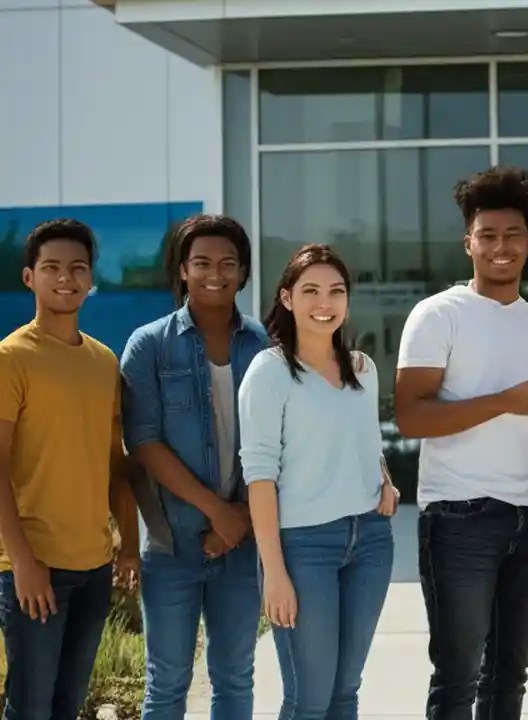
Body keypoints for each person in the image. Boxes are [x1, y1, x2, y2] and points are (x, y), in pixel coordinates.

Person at [394, 166, 528, 720]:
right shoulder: (437, 315)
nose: (500, 247)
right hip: (458, 518)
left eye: (512, 235)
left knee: (509, 677)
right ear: (468, 241)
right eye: (487, 235)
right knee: (457, 678)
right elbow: (411, 416)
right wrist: (502, 401)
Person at [239, 244, 398, 720]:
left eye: (335, 291)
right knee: (309, 698)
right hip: (305, 547)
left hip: (370, 541)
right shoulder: (270, 372)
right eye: (310, 291)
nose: (323, 302)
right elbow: (259, 476)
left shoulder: (363, 370)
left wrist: (385, 481)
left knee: (345, 692)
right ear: (287, 298)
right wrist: (275, 574)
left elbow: (368, 440)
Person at [120, 214, 268, 720]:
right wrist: (214, 513)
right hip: (172, 544)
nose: (215, 273)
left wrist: (238, 521)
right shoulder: (149, 345)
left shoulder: (266, 346)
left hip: (244, 545)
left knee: (234, 679)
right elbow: (144, 442)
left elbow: (280, 441)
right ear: (183, 270)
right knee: (167, 685)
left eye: (228, 263)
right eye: (201, 262)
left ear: (243, 272)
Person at [0, 219, 141, 719]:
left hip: (94, 566)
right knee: (31, 708)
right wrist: (23, 563)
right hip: (36, 566)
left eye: (78, 268)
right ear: (29, 278)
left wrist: (128, 544)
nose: (66, 278)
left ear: (90, 279)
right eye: (52, 267)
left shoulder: (104, 361)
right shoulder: (11, 357)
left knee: (68, 705)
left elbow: (114, 463)